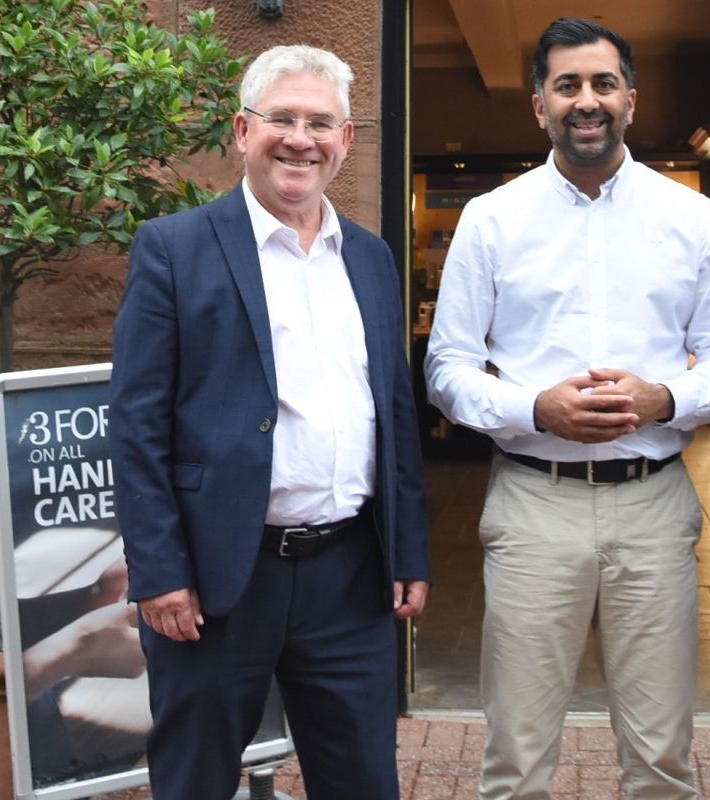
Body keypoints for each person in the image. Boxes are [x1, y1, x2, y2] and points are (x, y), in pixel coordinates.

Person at [424, 17, 710, 799]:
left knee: (663, 758)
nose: (586, 100)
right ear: (540, 105)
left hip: (655, 505)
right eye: (567, 85)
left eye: (602, 83)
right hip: (536, 503)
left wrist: (664, 397)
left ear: (630, 99)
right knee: (516, 758)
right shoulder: (493, 219)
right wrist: (537, 408)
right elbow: (447, 368)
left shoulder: (693, 219)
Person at [110, 45, 431, 800]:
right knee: (194, 780)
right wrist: (161, 570)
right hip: (220, 579)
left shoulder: (372, 260)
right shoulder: (175, 249)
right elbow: (137, 423)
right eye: (281, 118)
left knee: (362, 781)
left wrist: (408, 547)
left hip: (349, 577)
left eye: (320, 123)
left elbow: (395, 413)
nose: (301, 138)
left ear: (346, 140)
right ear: (243, 130)